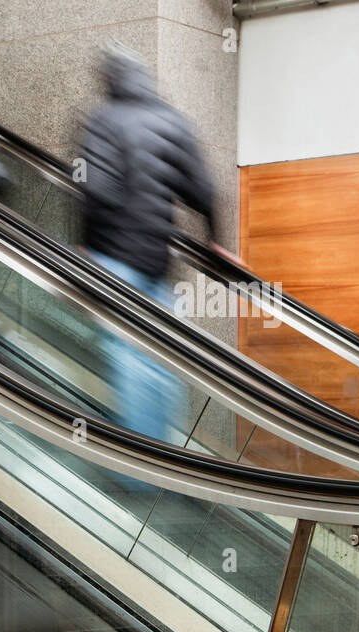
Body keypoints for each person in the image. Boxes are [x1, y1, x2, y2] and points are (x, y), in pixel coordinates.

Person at [76, 42, 217, 445]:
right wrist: (215, 240)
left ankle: (140, 469)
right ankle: (172, 454)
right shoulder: (172, 121)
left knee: (128, 353)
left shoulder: (103, 120)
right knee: (162, 357)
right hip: (158, 257)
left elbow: (93, 188)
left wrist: (84, 244)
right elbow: (203, 190)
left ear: (110, 80)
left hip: (115, 255)